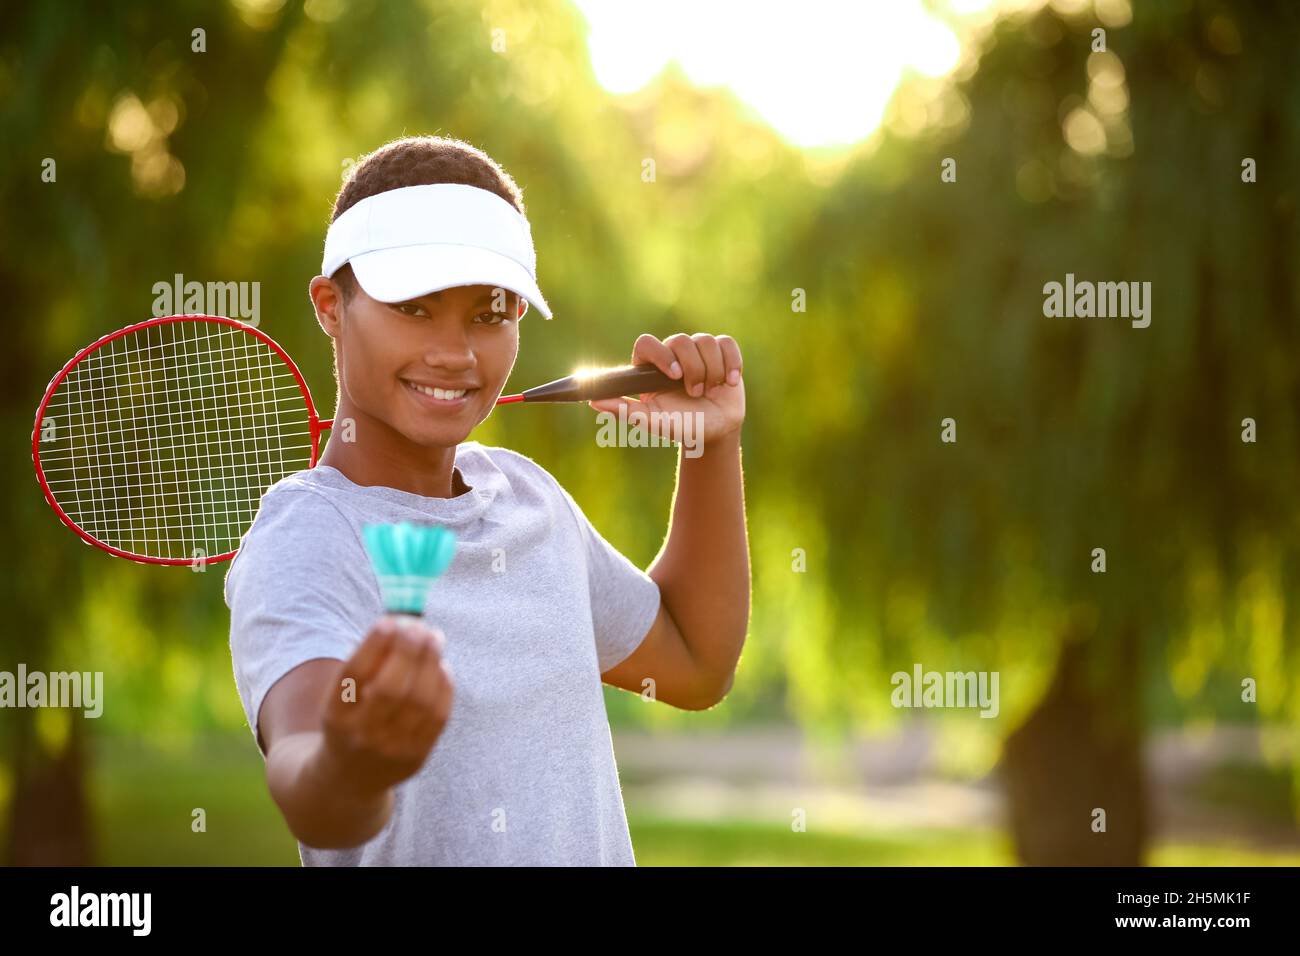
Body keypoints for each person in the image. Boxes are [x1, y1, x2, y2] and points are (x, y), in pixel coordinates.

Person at [226, 135, 749, 865]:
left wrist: (711, 447)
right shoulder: (310, 534)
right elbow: (311, 783)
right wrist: (354, 765)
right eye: (414, 307)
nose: (454, 352)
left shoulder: (528, 496)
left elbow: (695, 664)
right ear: (330, 307)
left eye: (489, 313)